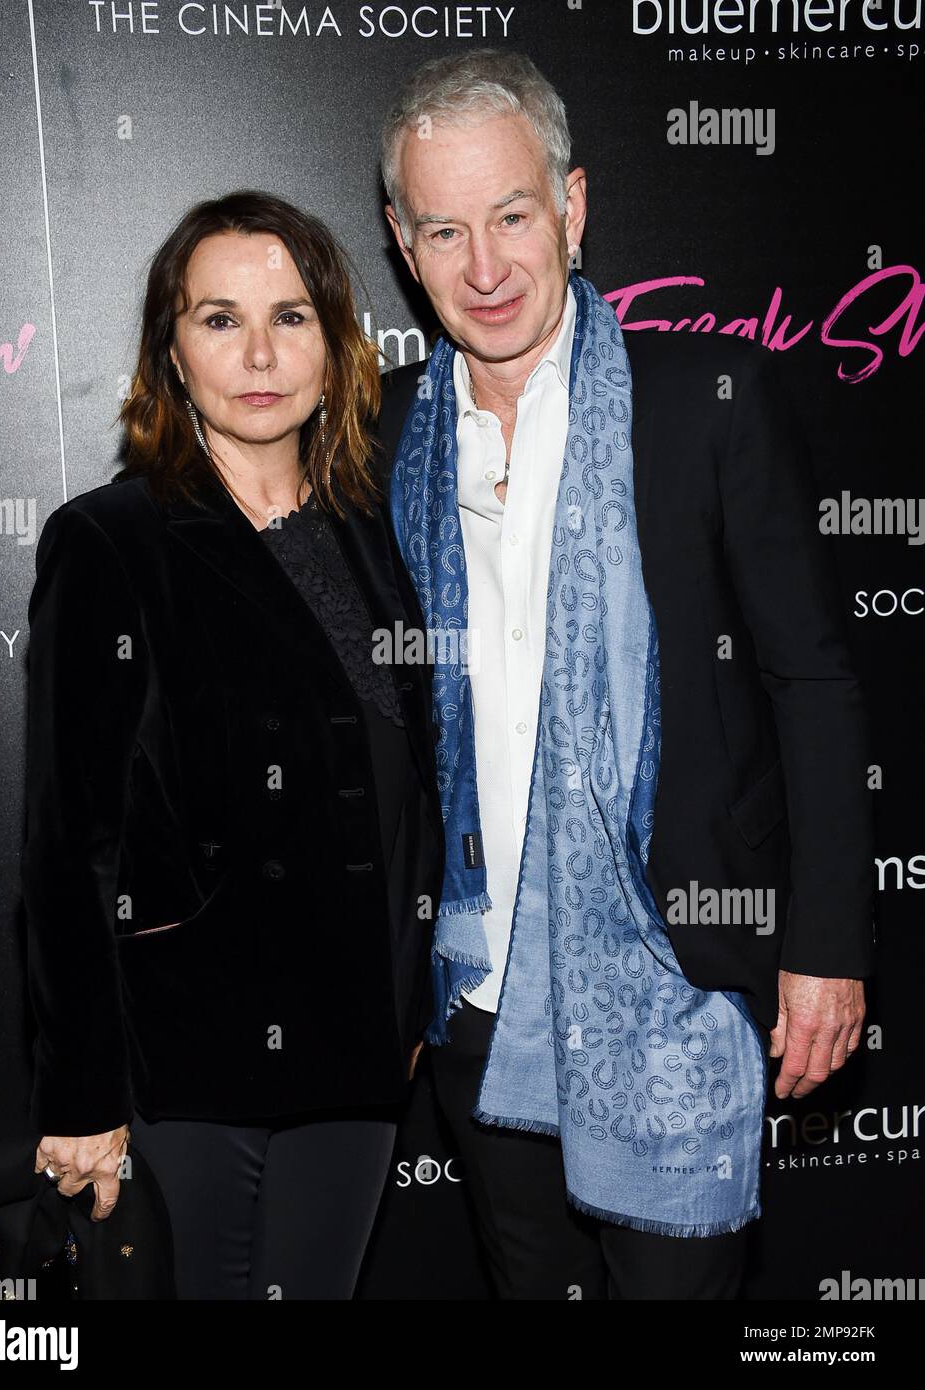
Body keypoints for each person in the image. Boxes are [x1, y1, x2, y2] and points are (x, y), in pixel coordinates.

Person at [373, 50, 875, 1300]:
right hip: (477, 991)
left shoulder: (705, 405)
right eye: (443, 229)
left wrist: (823, 942)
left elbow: (810, 682)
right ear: (400, 241)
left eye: (510, 217)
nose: (483, 268)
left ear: (573, 207)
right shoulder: (376, 436)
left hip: (673, 979)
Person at [20, 190, 444, 1299]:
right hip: (191, 1061)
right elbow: (70, 843)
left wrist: (403, 1006)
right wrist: (80, 1090)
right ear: (172, 349)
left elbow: (403, 798)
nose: (259, 353)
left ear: (336, 343)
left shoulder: (369, 526)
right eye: (219, 319)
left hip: (355, 1061)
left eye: (291, 317)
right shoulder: (111, 541)